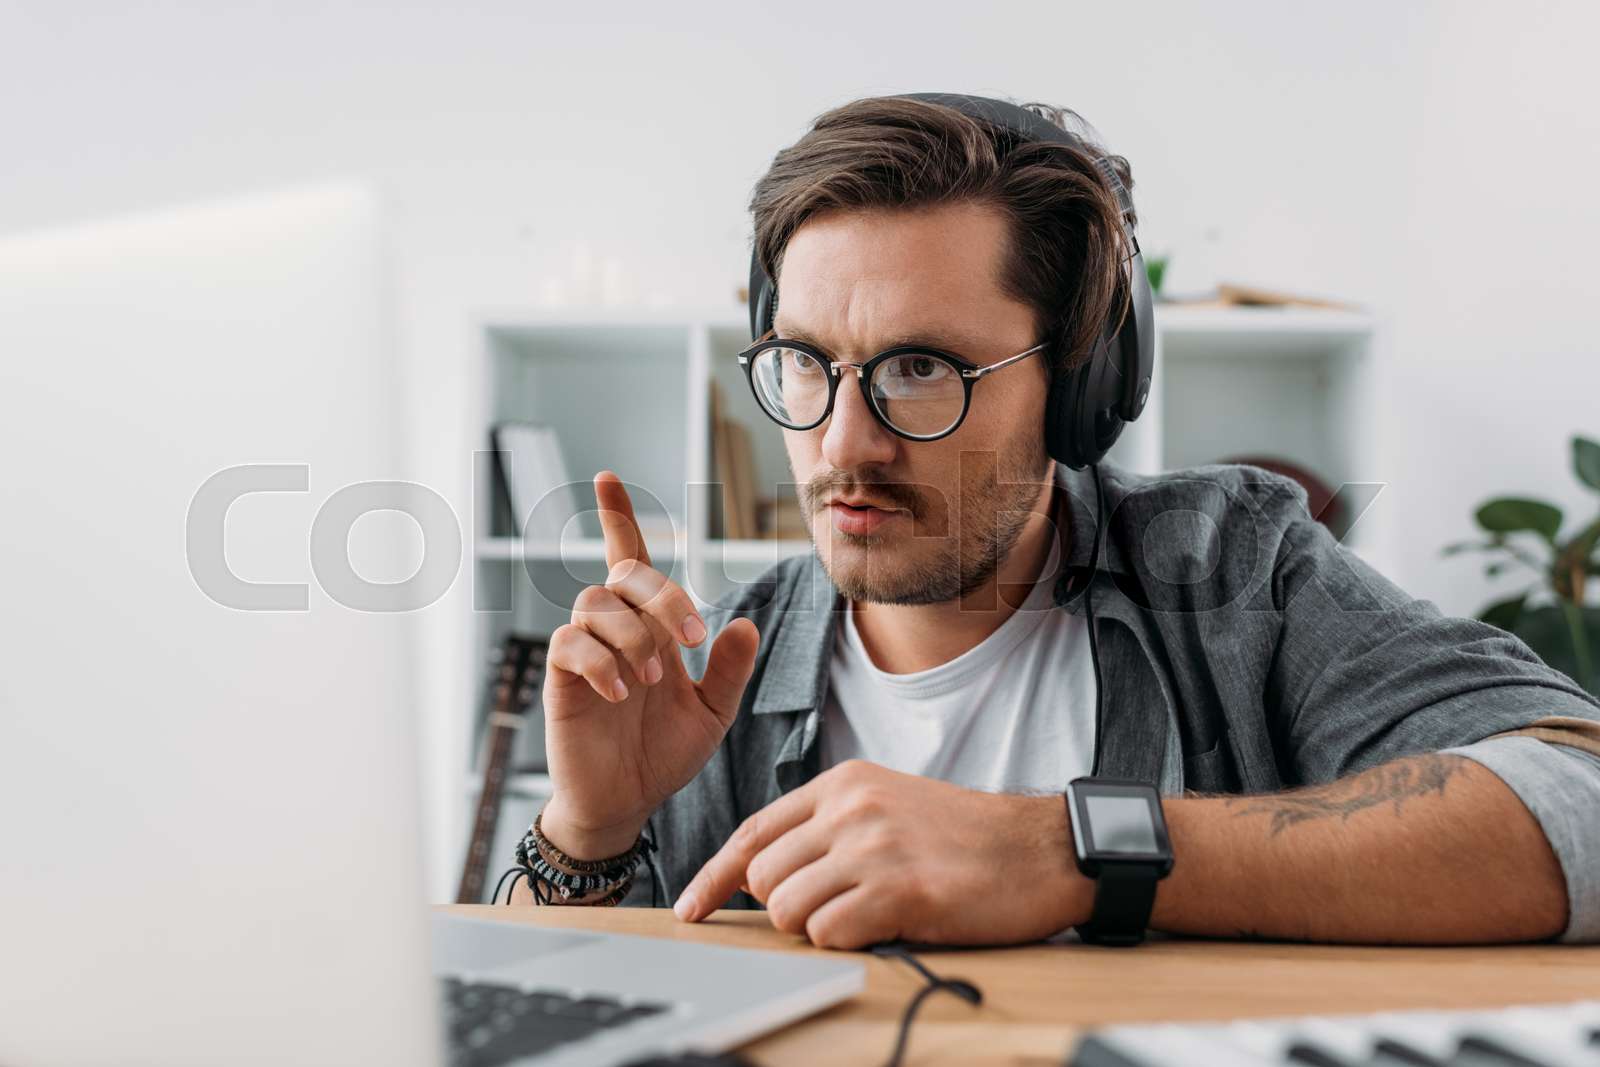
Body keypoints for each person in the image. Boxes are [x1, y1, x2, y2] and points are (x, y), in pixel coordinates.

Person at [511, 94, 1600, 948]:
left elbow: (1581, 795)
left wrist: (1070, 850)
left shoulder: (1233, 568)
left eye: (922, 367)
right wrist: (588, 828)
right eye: (805, 364)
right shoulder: (704, 670)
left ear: (1079, 387)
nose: (843, 443)